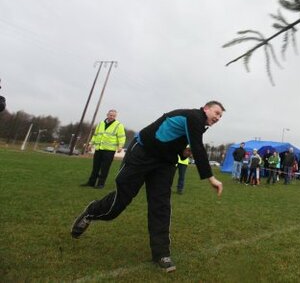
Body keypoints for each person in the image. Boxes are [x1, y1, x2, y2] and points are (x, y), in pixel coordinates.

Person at [70, 101, 225, 273]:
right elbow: (197, 146)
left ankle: (161, 253)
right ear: (206, 109)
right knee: (121, 201)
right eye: (216, 113)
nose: (218, 117)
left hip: (164, 163)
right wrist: (211, 178)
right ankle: (91, 211)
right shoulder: (194, 116)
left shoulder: (197, 124)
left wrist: (183, 152)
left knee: (161, 205)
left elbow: (174, 142)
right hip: (142, 153)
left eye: (220, 116)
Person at [81, 109, 126, 189]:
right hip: (98, 149)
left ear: (115, 116)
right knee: (95, 167)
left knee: (105, 168)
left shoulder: (119, 125)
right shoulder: (100, 123)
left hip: (109, 150)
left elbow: (121, 137)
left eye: (113, 116)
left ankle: (101, 184)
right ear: (107, 115)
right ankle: (91, 182)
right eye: (110, 115)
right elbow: (95, 135)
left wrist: (120, 146)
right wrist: (91, 144)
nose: (112, 117)